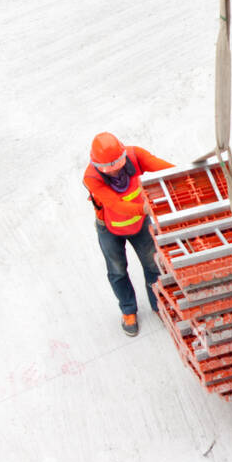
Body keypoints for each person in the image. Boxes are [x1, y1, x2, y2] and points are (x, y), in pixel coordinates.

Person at [83, 132, 172, 337]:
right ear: (97, 166)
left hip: (140, 225)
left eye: (117, 165)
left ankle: (158, 305)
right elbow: (115, 204)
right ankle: (128, 311)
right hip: (110, 229)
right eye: (108, 169)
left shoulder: (135, 156)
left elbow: (163, 167)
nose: (114, 172)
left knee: (152, 265)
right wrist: (145, 209)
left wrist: (186, 174)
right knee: (117, 271)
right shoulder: (92, 177)